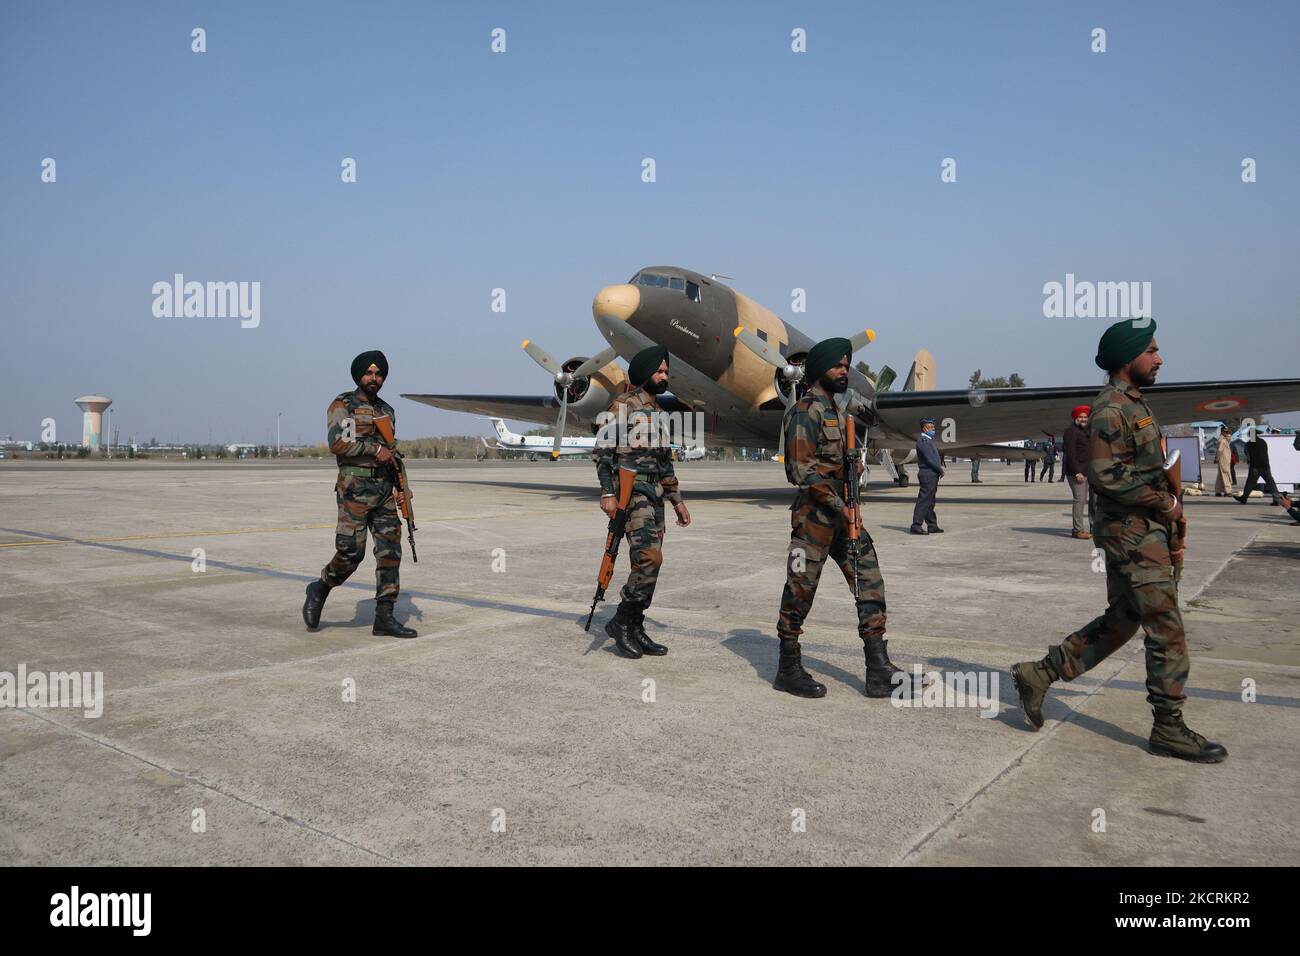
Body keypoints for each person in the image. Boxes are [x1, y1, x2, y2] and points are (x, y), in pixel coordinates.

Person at [1010, 319, 1226, 763]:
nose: (1159, 358)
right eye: (1151, 351)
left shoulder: (1132, 405)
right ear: (1129, 359)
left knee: (1124, 619)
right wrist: (1162, 502)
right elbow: (1106, 475)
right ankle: (1168, 727)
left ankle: (1039, 673)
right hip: (1133, 535)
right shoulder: (1112, 408)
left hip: (1140, 531)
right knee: (1166, 630)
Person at [773, 338, 905, 699]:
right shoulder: (806, 410)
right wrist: (839, 503)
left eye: (846, 364)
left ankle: (878, 668)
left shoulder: (836, 411)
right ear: (820, 370)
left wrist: (854, 464)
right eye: (838, 365)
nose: (844, 370)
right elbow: (799, 472)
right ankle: (787, 667)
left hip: (844, 517)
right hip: (815, 519)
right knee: (800, 591)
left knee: (869, 580)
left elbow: (830, 463)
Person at [303, 350, 417, 638]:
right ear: (359, 376)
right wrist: (373, 449)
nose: (374, 378)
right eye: (369, 373)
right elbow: (338, 444)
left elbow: (391, 455)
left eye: (378, 374)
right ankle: (320, 587)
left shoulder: (387, 411)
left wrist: (402, 487)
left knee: (390, 553)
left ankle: (384, 617)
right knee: (351, 553)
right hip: (354, 490)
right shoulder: (343, 405)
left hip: (384, 492)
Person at [593, 346, 691, 658]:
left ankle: (635, 625)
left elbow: (665, 463)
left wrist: (677, 501)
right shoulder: (623, 405)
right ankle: (621, 621)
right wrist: (608, 493)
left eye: (666, 371)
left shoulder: (660, 412)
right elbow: (602, 453)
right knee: (651, 558)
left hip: (656, 496)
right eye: (660, 371)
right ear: (645, 372)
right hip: (631, 493)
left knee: (646, 563)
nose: (665, 376)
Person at [1062, 405, 1093, 538]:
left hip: (1087, 471)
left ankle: (1084, 528)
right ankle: (1077, 530)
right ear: (1075, 418)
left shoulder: (1085, 431)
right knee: (1079, 500)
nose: (1083, 419)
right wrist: (1077, 472)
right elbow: (1071, 454)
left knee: (1085, 500)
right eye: (1080, 417)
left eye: (1085, 417)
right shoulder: (1071, 431)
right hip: (1077, 472)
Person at [910, 418, 944, 534]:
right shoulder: (923, 441)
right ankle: (916, 525)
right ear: (924, 428)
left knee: (930, 501)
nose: (933, 429)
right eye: (931, 427)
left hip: (932, 474)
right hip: (928, 474)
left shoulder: (928, 441)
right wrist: (940, 470)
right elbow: (930, 459)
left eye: (934, 427)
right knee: (924, 501)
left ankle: (932, 525)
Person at [1236, 432, 1282, 506]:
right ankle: (1276, 499)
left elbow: (1248, 456)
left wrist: (1250, 463)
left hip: (1255, 467)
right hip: (1265, 466)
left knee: (1250, 483)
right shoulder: (1263, 442)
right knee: (1270, 482)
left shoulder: (1249, 444)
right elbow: (1266, 453)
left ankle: (1244, 498)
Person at [1213, 425, 1234, 496]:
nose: (1227, 434)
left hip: (1225, 460)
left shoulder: (1225, 439)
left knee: (1220, 476)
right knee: (1225, 475)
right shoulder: (1222, 440)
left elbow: (1230, 438)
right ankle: (1227, 491)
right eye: (1225, 432)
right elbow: (1219, 450)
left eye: (1227, 432)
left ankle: (1218, 491)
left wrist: (1228, 434)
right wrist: (1217, 458)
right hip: (1223, 460)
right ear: (1222, 432)